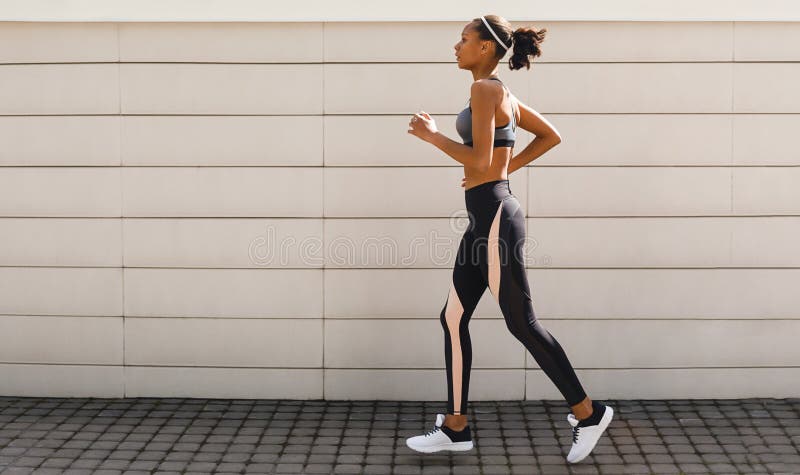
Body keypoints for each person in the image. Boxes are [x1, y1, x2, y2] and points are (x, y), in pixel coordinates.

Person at [404, 14, 613, 464]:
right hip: (485, 218)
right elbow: (548, 136)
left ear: (484, 48)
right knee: (453, 317)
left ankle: (589, 413)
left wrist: (433, 136)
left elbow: (479, 161)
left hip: (495, 218)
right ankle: (455, 426)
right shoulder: (501, 93)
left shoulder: (485, 90)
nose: (455, 46)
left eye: (463, 39)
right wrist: (504, 172)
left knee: (522, 323)